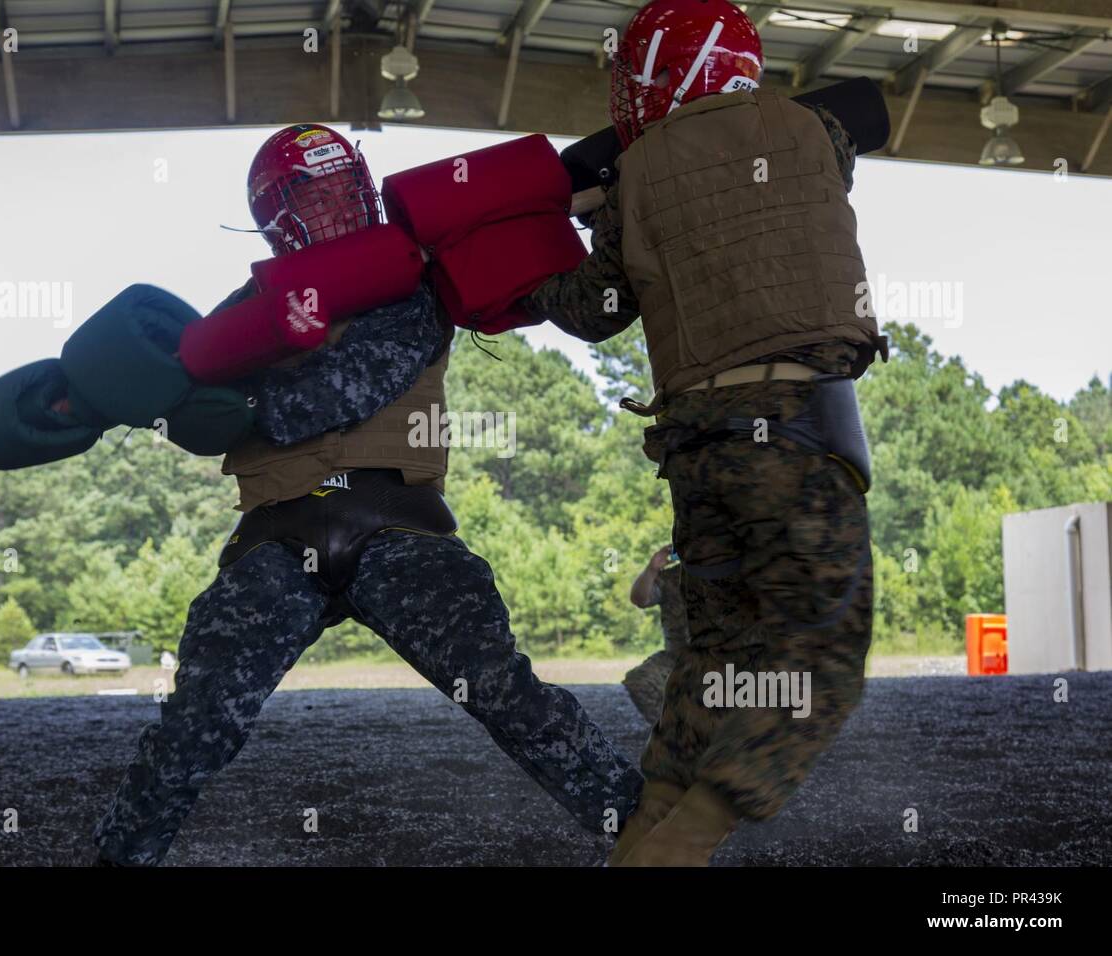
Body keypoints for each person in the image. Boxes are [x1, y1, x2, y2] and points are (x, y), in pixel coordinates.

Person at [92, 124, 643, 866]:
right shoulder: (239, 314)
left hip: (397, 523)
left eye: (343, 187)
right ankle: (117, 859)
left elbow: (353, 384)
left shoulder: (413, 279)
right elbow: (188, 419)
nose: (336, 207)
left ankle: (649, 836)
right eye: (312, 197)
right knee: (198, 719)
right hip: (276, 534)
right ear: (277, 215)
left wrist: (240, 398)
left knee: (501, 690)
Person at [522, 0, 888, 866]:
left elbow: (590, 313)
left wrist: (583, 215)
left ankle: (652, 828)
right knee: (817, 662)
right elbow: (820, 134)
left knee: (711, 667)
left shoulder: (635, 177)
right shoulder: (815, 135)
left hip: (700, 453)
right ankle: (686, 844)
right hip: (802, 435)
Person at [624, 545, 688, 724]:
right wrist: (651, 570)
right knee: (640, 681)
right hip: (678, 659)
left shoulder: (731, 575)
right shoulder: (671, 577)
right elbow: (639, 599)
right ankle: (672, 729)